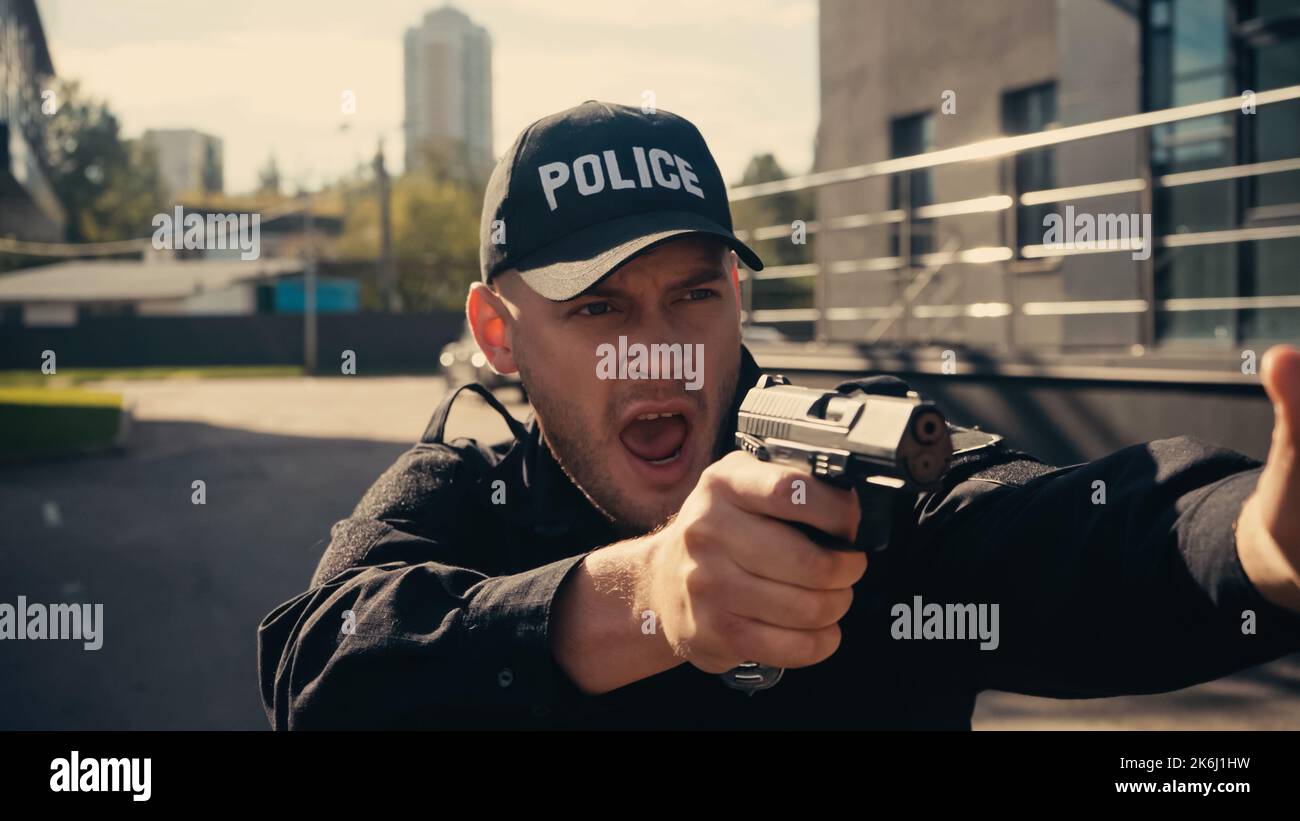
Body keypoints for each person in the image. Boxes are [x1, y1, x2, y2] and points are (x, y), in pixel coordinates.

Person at [258, 101, 1300, 729]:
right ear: (500, 333)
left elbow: (1076, 533)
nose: (657, 347)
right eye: (598, 308)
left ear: (739, 297)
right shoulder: (464, 493)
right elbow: (322, 675)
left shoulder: (857, 474)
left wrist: (1260, 534)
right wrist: (644, 595)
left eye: (692, 295)